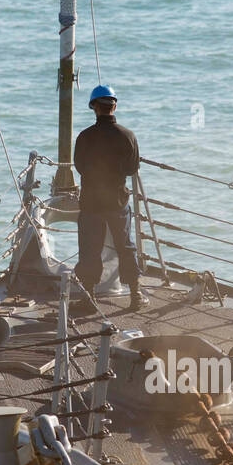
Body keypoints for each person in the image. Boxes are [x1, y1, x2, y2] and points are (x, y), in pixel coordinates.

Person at [73, 84, 148, 313]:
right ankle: (135, 295)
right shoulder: (128, 135)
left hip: (91, 203)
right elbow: (131, 169)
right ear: (114, 106)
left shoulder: (85, 136)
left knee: (89, 249)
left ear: (94, 107)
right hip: (117, 201)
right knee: (125, 246)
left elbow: (80, 167)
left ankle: (89, 298)